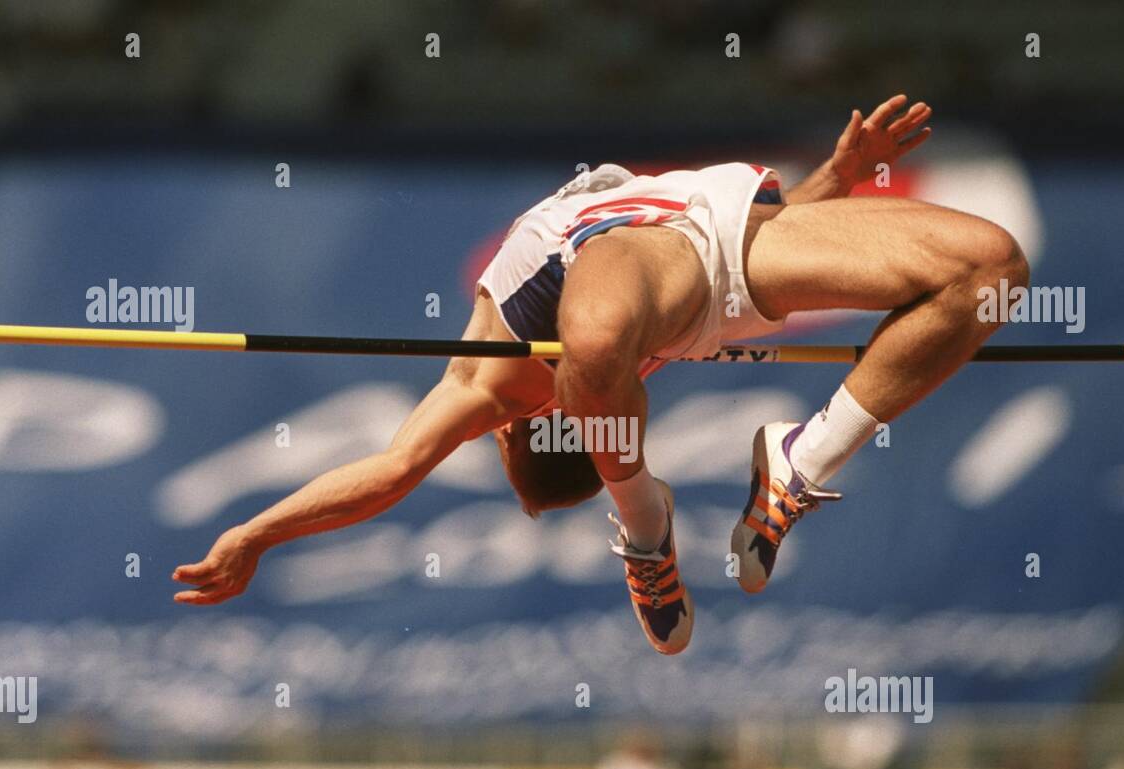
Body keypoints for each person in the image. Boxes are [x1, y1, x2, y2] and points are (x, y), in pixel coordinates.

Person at [173, 94, 1028, 657]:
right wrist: (258, 537)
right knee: (596, 331)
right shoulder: (505, 381)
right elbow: (388, 475)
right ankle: (647, 525)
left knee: (993, 270)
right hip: (661, 274)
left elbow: (390, 473)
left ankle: (797, 461)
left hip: (730, 238)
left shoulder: (493, 388)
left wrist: (838, 178)